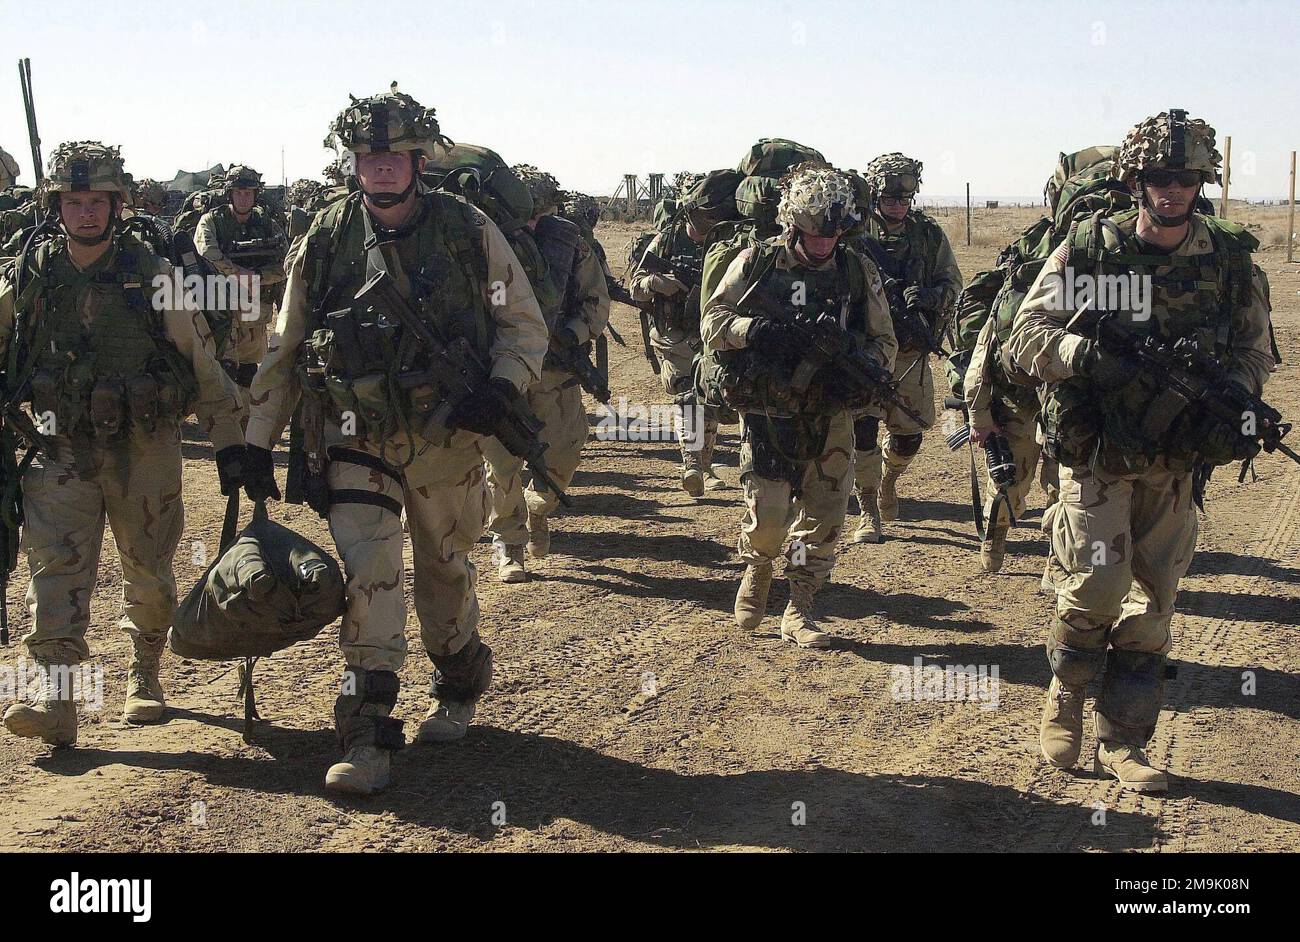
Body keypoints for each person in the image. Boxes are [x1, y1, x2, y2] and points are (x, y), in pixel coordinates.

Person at [240, 88, 547, 795]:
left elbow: (522, 325)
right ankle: (367, 730)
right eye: (368, 157)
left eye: (394, 156)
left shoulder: (466, 229)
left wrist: (500, 388)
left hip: (447, 440)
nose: (380, 169)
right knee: (370, 575)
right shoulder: (326, 235)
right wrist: (256, 439)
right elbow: (286, 344)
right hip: (354, 436)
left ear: (417, 159)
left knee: (444, 575)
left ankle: (461, 670)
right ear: (354, 162)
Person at [1008, 110, 1274, 791]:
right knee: (1096, 587)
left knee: (1154, 606)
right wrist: (1085, 356)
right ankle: (1066, 694)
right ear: (1136, 181)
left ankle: (1123, 740)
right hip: (1096, 452)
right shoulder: (1091, 250)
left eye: (1185, 178)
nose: (1172, 190)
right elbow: (1026, 334)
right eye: (1159, 177)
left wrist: (1227, 398)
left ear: (1201, 183)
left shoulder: (1230, 260)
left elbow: (1253, 351)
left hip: (1174, 458)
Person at [0, 141, 244, 746]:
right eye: (74, 201)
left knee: (148, 568)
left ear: (117, 205)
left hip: (144, 447)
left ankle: (146, 672)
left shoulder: (152, 275)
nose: (86, 213)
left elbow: (202, 362)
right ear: (56, 206)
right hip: (58, 447)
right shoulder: (30, 274)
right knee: (55, 572)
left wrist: (235, 446)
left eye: (97, 202)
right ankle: (58, 702)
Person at [701, 164, 896, 647]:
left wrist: (857, 367)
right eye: (814, 234)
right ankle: (759, 566)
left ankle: (800, 604)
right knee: (768, 519)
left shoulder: (856, 269)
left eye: (833, 234)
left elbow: (883, 340)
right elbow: (713, 322)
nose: (824, 244)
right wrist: (755, 332)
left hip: (829, 412)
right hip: (770, 411)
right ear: (792, 224)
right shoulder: (757, 263)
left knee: (825, 516)